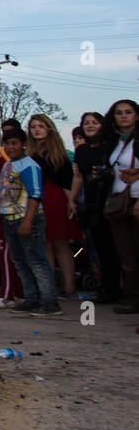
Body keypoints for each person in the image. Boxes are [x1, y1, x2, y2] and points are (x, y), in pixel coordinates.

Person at [0, 128, 60, 316]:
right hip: (10, 219)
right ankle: (31, 298)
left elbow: (35, 194)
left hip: (27, 219)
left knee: (36, 260)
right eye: (7, 144)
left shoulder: (29, 165)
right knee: (20, 261)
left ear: (24, 144)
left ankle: (50, 302)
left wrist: (27, 221)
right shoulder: (9, 164)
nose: (10, 147)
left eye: (14, 143)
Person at [26, 114, 82, 298]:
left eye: (41, 126)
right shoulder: (29, 155)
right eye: (33, 126)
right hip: (36, 199)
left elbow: (67, 181)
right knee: (44, 245)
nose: (37, 129)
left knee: (61, 244)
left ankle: (69, 287)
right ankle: (48, 288)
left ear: (49, 128)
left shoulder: (59, 154)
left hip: (56, 198)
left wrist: (71, 201)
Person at [69, 111, 122, 304]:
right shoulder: (81, 150)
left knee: (117, 246)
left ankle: (123, 288)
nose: (90, 126)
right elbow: (78, 176)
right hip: (91, 202)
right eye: (86, 123)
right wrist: (72, 199)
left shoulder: (112, 146)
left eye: (94, 122)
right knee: (100, 248)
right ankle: (108, 288)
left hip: (111, 199)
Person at [100, 99, 139, 314]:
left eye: (128, 112)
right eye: (119, 112)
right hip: (118, 200)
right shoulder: (115, 141)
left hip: (136, 199)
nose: (123, 116)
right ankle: (133, 298)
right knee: (126, 254)